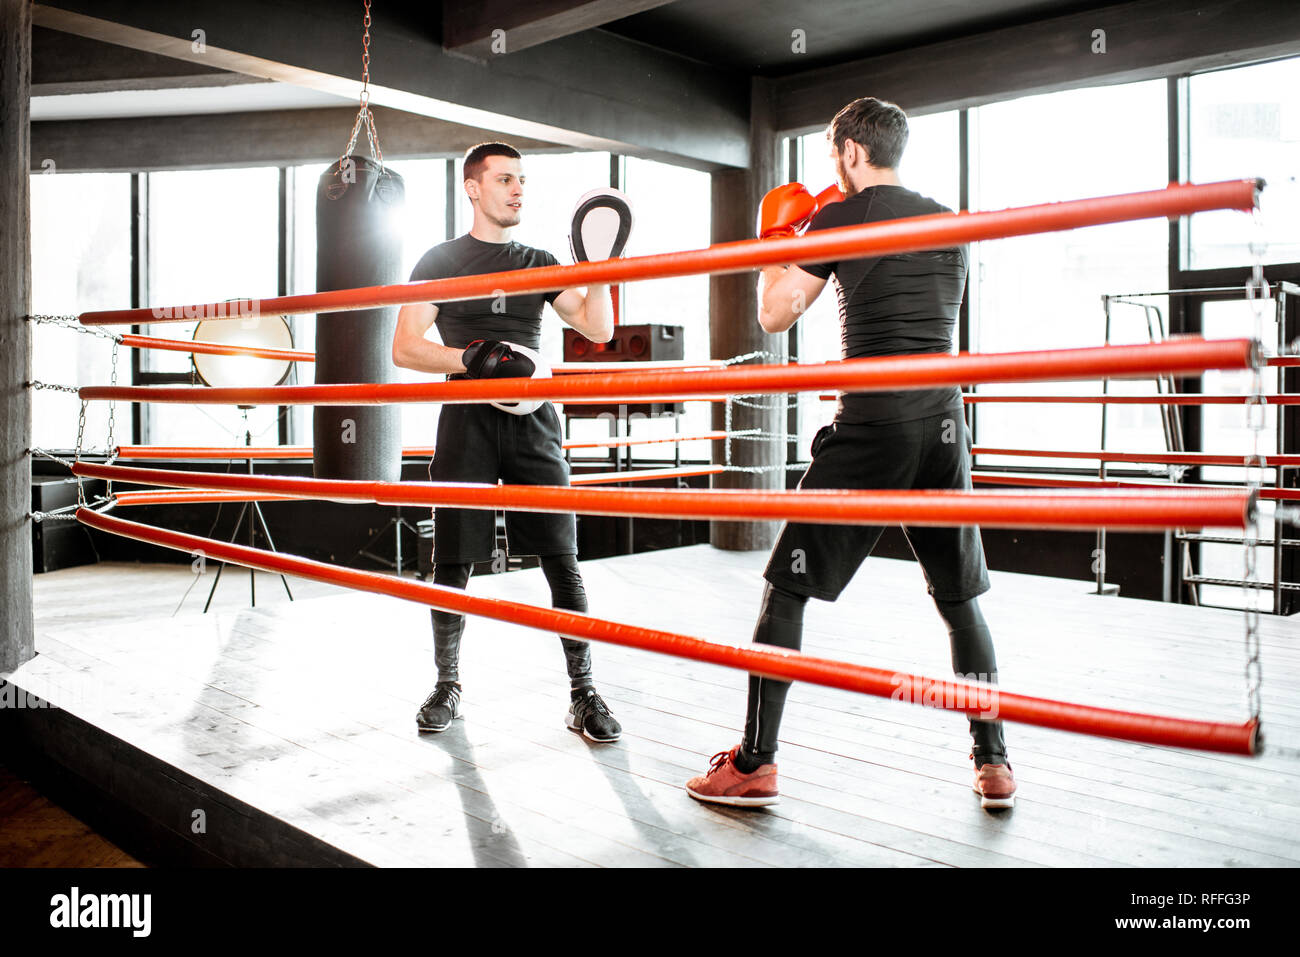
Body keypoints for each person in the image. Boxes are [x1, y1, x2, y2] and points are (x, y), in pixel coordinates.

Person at [685, 97, 1015, 810]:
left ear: (852, 154)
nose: (834, 168)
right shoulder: (949, 218)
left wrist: (776, 241)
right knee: (959, 599)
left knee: (785, 588)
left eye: (835, 155)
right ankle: (994, 762)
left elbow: (775, 313)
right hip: (946, 425)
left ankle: (754, 762)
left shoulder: (840, 217)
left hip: (874, 423)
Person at [392, 142, 624, 743]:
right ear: (473, 188)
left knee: (559, 553)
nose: (518, 190)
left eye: (522, 181)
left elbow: (599, 329)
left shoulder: (538, 258)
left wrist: (601, 267)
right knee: (453, 557)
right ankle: (447, 685)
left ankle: (584, 692)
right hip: (465, 416)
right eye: (504, 180)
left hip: (535, 418)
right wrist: (470, 357)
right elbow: (405, 346)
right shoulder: (439, 259)